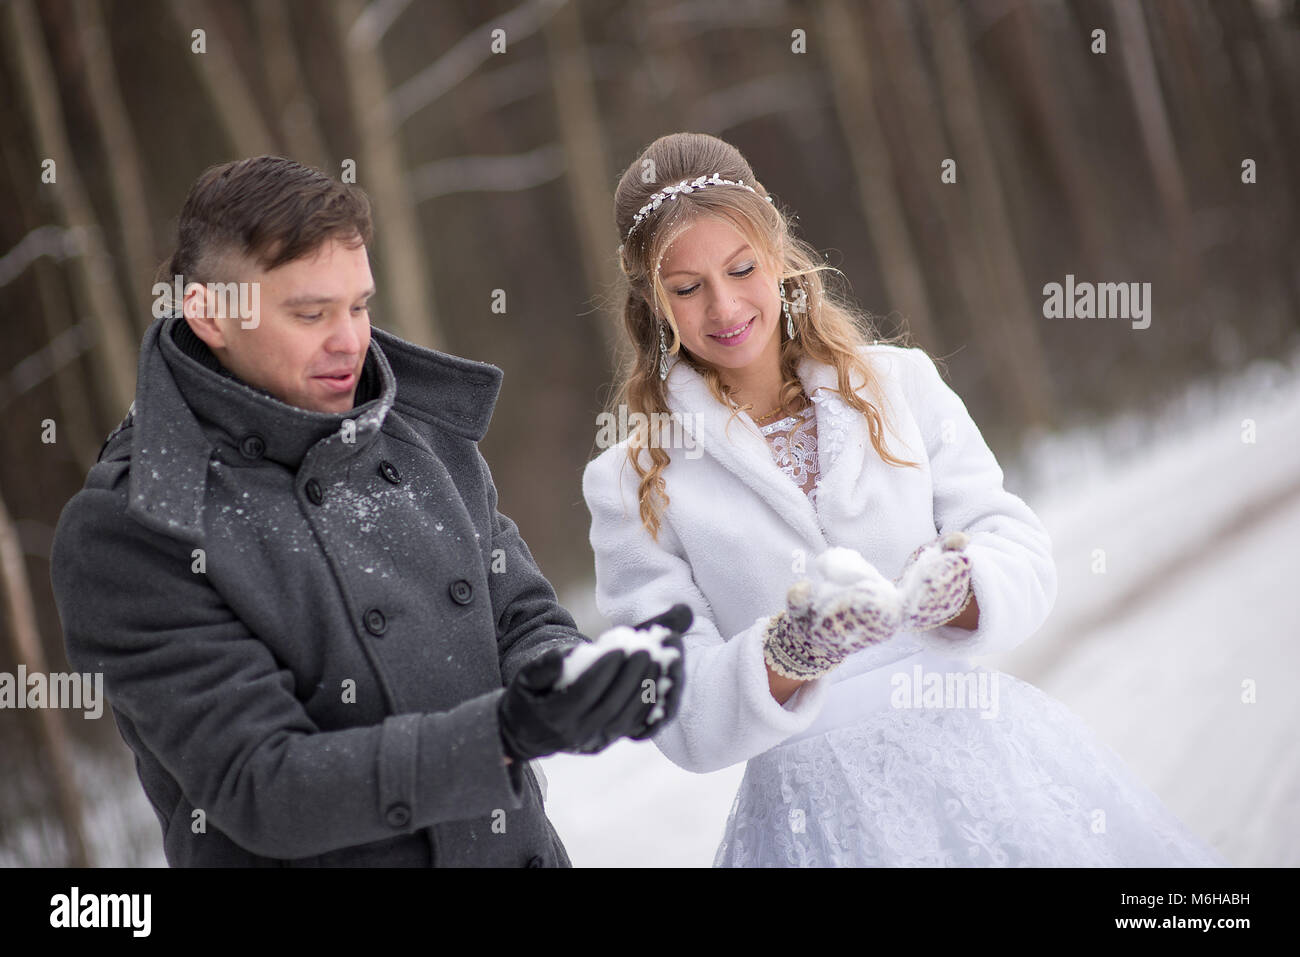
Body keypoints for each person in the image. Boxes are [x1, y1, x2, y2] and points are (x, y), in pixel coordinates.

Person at [582, 131, 1227, 867]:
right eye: (687, 288)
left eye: (740, 267)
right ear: (652, 300)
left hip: (985, 763)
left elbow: (1013, 543)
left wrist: (960, 588)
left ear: (779, 254)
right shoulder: (632, 482)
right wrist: (793, 649)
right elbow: (678, 707)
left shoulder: (899, 383)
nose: (724, 306)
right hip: (817, 821)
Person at [49, 156, 688, 867]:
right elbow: (265, 785)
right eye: (310, 312)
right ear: (208, 314)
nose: (350, 341)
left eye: (358, 305)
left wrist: (570, 682)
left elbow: (520, 615)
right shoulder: (136, 523)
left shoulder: (419, 433)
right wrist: (504, 733)